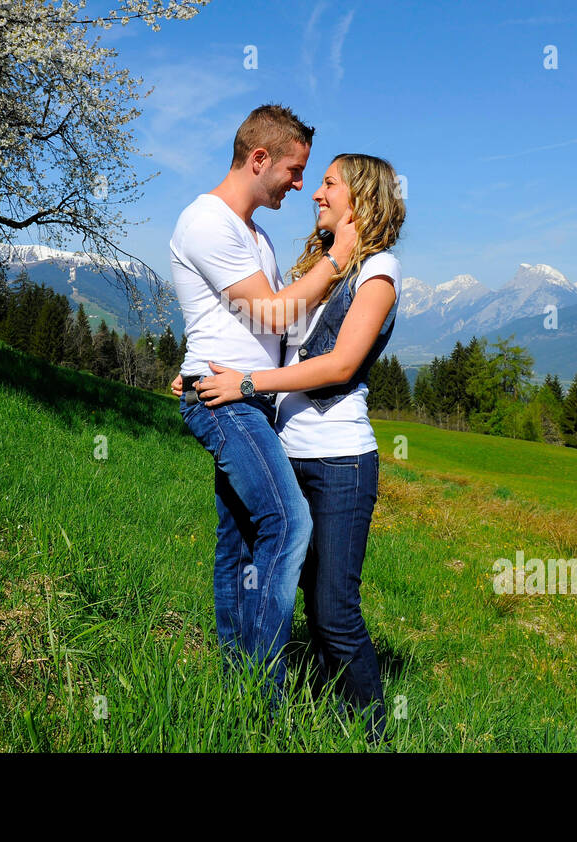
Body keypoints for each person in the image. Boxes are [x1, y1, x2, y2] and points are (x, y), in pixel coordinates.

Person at [190, 153, 404, 739]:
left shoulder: (378, 272)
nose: (316, 193)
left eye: (330, 184)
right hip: (291, 449)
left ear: (361, 198)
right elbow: (271, 330)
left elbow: (338, 363)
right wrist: (200, 372)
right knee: (297, 595)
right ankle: (282, 708)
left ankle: (372, 732)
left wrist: (249, 384)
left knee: (334, 613)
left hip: (340, 460)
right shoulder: (322, 265)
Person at [169, 104, 357, 696]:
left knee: (241, 541)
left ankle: (235, 683)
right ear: (259, 159)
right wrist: (338, 258)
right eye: (295, 171)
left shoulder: (257, 235)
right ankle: (263, 688)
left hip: (243, 396)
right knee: (289, 520)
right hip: (228, 403)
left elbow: (255, 329)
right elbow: (273, 312)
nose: (300, 185)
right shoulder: (207, 221)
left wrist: (195, 363)